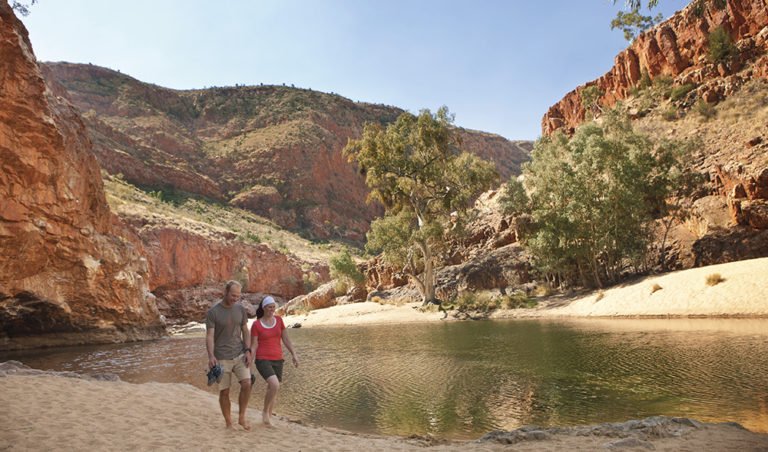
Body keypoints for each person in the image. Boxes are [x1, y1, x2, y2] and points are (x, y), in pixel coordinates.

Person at [205, 280, 253, 430]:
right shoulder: (213, 312)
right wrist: (211, 356)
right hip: (221, 357)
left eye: (238, 296)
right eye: (233, 295)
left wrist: (248, 350)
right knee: (225, 391)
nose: (235, 299)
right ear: (225, 292)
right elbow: (210, 336)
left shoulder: (240, 309)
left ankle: (241, 417)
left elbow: (245, 331)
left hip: (239, 354)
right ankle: (228, 423)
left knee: (247, 384)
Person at [250, 296, 299, 427]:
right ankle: (265, 413)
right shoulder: (256, 325)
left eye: (273, 307)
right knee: (275, 385)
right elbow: (253, 345)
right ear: (264, 308)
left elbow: (286, 339)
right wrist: (250, 360)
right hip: (262, 359)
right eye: (269, 307)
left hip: (278, 359)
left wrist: (294, 354)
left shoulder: (279, 320)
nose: (272, 309)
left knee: (272, 389)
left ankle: (268, 418)